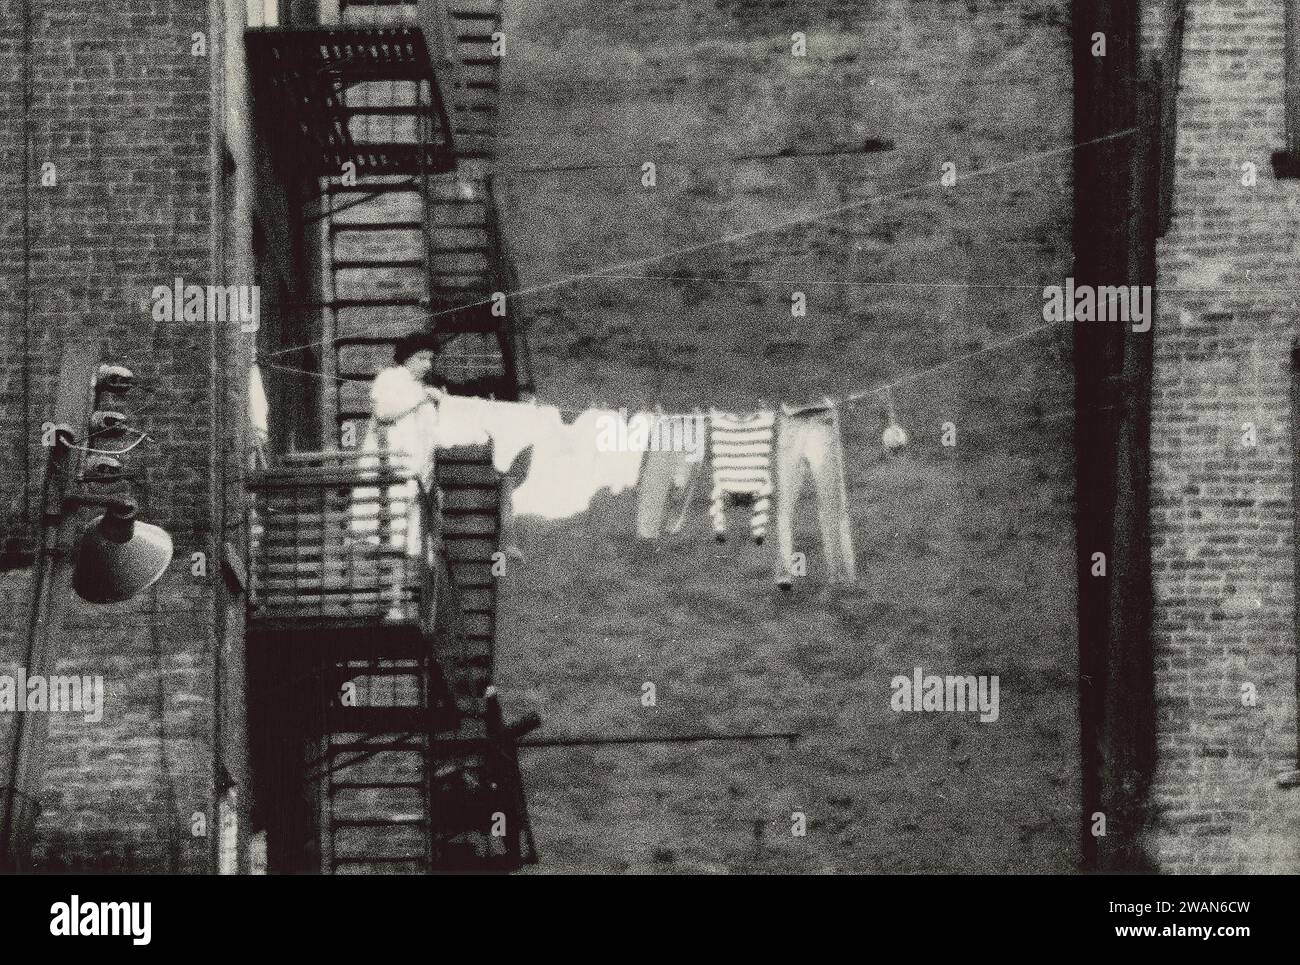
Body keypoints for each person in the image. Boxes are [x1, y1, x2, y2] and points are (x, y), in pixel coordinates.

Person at [352, 333, 443, 567]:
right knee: (389, 519)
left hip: (416, 470)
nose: (427, 365)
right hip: (390, 462)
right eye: (422, 358)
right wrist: (421, 398)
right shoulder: (390, 378)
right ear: (408, 358)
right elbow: (383, 412)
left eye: (430, 359)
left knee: (410, 527)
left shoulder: (423, 389)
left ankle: (406, 570)